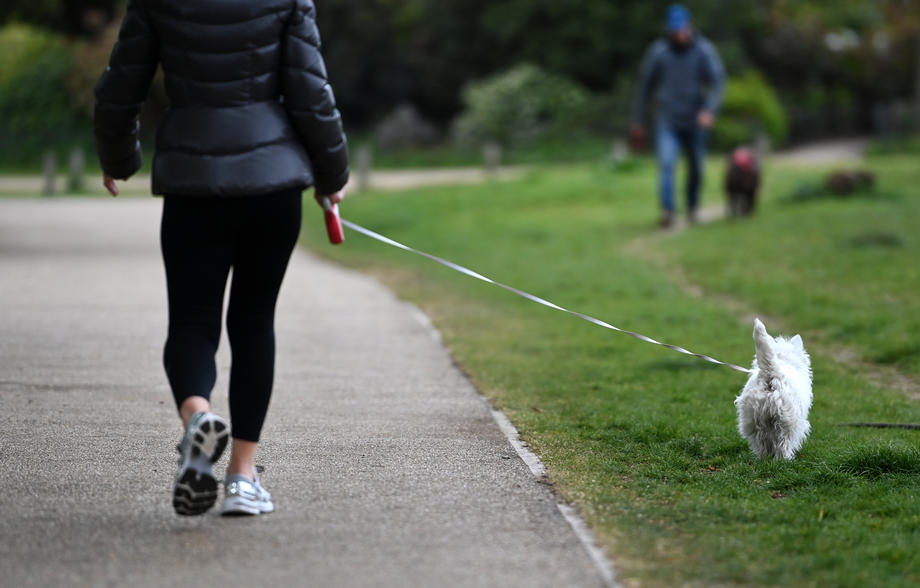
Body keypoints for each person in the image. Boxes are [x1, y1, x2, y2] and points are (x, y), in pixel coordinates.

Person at [94, 0, 349, 516]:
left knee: (191, 321)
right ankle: (242, 478)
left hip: (192, 183)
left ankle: (197, 418)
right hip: (272, 182)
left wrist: (118, 157)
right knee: (254, 323)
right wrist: (331, 175)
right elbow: (309, 91)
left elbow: (122, 84)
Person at [631, 4, 725, 227]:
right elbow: (645, 87)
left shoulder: (704, 50)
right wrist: (637, 120)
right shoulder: (658, 52)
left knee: (696, 168)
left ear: (689, 26)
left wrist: (709, 110)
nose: (678, 35)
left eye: (681, 30)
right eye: (674, 31)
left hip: (695, 120)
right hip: (668, 120)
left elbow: (718, 82)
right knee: (666, 163)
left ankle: (692, 208)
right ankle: (668, 212)